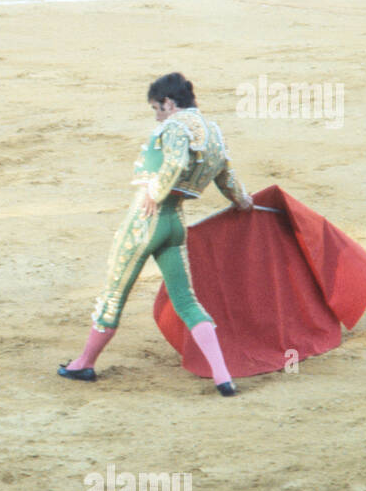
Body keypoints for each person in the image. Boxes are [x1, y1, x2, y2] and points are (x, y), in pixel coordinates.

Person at [58, 73, 253, 396]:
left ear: (169, 103)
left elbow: (174, 162)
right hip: (175, 224)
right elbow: (227, 179)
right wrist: (244, 203)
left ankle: (84, 363)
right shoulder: (214, 133)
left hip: (144, 222)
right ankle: (223, 377)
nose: (157, 116)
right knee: (187, 301)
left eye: (157, 109)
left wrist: (154, 192)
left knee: (113, 296)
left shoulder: (175, 126)